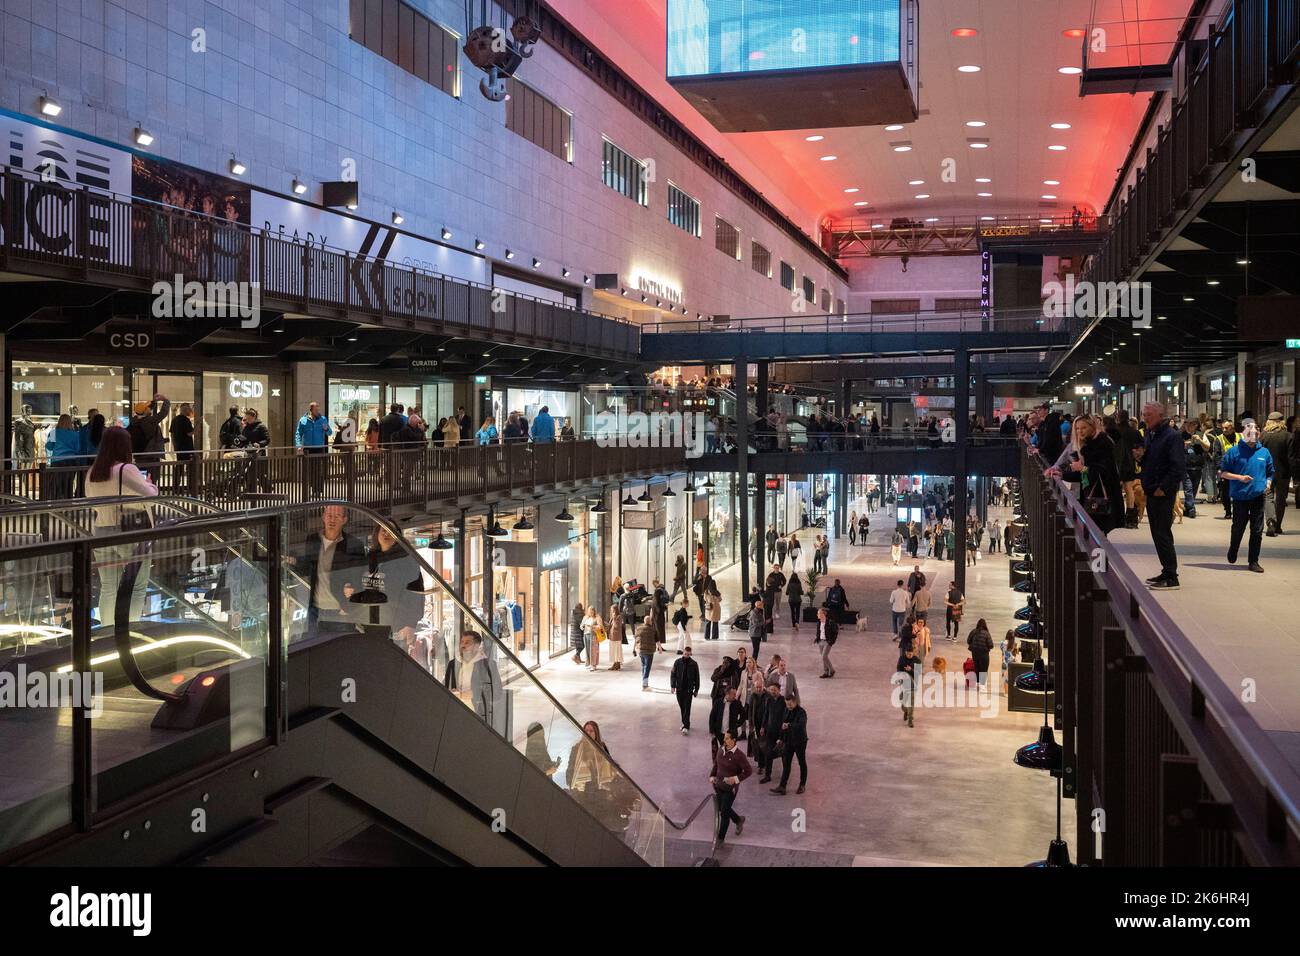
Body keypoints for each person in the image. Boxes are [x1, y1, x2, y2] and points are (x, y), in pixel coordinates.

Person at [85, 426, 159, 626]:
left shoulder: (93, 472)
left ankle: (108, 634)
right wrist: (150, 484)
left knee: (109, 587)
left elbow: (90, 499)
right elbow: (151, 497)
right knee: (136, 586)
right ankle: (129, 634)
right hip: (129, 533)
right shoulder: (127, 469)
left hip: (101, 532)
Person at [1139, 401, 1187, 590]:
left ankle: (1171, 576)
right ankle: (1166, 571)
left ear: (1160, 415)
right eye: (1144, 414)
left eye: (1148, 415)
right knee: (1157, 534)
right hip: (1152, 490)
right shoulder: (1153, 434)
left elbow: (1178, 467)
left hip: (1162, 493)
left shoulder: (1172, 436)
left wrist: (1164, 488)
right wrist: (1141, 458)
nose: (1145, 418)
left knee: (1163, 533)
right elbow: (1153, 461)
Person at [1218, 418, 1273, 572]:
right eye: (1250, 434)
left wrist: (1268, 483)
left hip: (1258, 497)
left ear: (1259, 434)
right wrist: (1239, 478)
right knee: (1238, 527)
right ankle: (1233, 548)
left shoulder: (1264, 452)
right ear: (1244, 434)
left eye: (1255, 434)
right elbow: (1223, 473)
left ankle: (1253, 561)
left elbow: (1270, 472)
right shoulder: (1234, 452)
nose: (1252, 438)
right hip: (1240, 497)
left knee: (1256, 530)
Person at [709, 729, 753, 843]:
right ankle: (738, 820)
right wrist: (712, 775)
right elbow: (716, 765)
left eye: (727, 738)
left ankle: (720, 838)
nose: (724, 740)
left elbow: (748, 771)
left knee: (724, 813)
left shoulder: (739, 756)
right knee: (723, 809)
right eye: (724, 738)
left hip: (730, 790)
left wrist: (736, 779)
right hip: (718, 786)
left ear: (734, 740)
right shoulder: (721, 750)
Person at [769, 694, 808, 795]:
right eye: (787, 704)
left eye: (790, 704)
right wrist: (780, 738)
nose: (788, 706)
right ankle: (782, 786)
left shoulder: (802, 712)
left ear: (795, 702)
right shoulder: (786, 710)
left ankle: (802, 785)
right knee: (786, 764)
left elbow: (801, 725)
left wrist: (789, 725)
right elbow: (783, 725)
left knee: (801, 763)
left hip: (800, 742)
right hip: (788, 741)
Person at [127, 394, 171, 484]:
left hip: (138, 455)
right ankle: (151, 496)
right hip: (151, 455)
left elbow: (146, 409)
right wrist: (165, 400)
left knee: (141, 478)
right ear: (146, 410)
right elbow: (163, 412)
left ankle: (142, 495)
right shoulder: (150, 421)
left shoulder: (133, 422)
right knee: (152, 478)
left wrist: (154, 402)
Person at [1261, 412, 1292, 536]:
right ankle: (1278, 525)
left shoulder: (1263, 436)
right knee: (1280, 498)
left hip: (1266, 472)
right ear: (1282, 421)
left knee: (1268, 497)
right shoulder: (1288, 436)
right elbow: (1291, 458)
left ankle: (1270, 523)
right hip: (1283, 472)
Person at [295, 400, 331, 497]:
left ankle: (318, 490)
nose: (317, 411)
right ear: (311, 410)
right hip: (308, 448)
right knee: (310, 470)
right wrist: (299, 446)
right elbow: (298, 434)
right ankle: (313, 488)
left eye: (318, 409)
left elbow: (330, 432)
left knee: (319, 469)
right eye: (316, 409)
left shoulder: (323, 419)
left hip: (319, 448)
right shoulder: (303, 420)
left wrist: (326, 428)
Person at [566, 720, 613, 793]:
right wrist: (572, 787)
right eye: (586, 731)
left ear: (596, 733)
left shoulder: (602, 748)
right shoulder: (576, 748)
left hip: (600, 788)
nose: (588, 733)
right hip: (583, 790)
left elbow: (610, 765)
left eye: (591, 731)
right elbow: (570, 769)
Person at [670, 645, 700, 734]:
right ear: (683, 652)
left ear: (690, 654)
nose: (686, 655)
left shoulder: (694, 664)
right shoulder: (677, 662)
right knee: (682, 707)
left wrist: (696, 690)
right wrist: (672, 686)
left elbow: (697, 677)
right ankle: (685, 723)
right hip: (679, 689)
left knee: (687, 708)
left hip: (688, 690)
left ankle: (686, 726)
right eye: (685, 654)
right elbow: (673, 675)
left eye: (688, 654)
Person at [710, 685, 747, 754]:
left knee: (730, 752)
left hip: (731, 732)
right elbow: (712, 716)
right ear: (727, 694)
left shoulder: (737, 703)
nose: (735, 696)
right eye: (734, 694)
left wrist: (737, 724)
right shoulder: (718, 702)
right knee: (721, 751)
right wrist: (712, 730)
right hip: (719, 732)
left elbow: (743, 715)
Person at [897, 644, 921, 728]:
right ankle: (906, 711)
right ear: (905, 652)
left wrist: (911, 670)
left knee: (911, 702)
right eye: (907, 654)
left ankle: (910, 720)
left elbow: (918, 674)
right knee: (902, 701)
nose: (909, 655)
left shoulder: (917, 660)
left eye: (911, 654)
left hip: (913, 684)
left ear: (913, 653)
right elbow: (898, 670)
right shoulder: (902, 659)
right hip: (904, 684)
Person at [967, 618, 995, 687]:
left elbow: (968, 641)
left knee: (977, 667)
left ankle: (977, 683)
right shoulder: (986, 633)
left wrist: (973, 645)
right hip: (984, 654)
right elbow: (991, 645)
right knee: (984, 669)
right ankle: (982, 685)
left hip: (975, 653)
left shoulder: (973, 631)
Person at [814, 607, 837, 679]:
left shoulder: (830, 622)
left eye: (818, 613)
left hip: (827, 641)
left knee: (824, 656)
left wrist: (832, 641)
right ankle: (826, 672)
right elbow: (819, 632)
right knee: (823, 658)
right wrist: (817, 638)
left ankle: (832, 670)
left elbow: (835, 632)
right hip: (820, 641)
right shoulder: (818, 623)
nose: (817, 614)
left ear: (822, 614)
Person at [636, 612, 657, 690]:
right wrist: (660, 648)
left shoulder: (638, 629)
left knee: (643, 666)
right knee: (647, 667)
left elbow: (636, 639)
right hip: (649, 651)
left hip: (640, 650)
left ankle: (644, 681)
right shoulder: (653, 629)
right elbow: (657, 639)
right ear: (650, 622)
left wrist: (635, 648)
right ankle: (644, 685)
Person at [580, 603, 602, 671]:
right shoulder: (586, 617)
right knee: (588, 650)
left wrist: (593, 627)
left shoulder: (597, 617)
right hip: (586, 635)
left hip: (594, 636)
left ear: (594, 611)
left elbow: (600, 626)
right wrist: (582, 626)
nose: (591, 613)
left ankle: (594, 665)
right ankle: (589, 663)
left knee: (594, 651)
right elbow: (581, 626)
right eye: (589, 611)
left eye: (592, 611)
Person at [605, 596, 625, 671]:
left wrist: (614, 618)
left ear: (616, 610)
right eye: (611, 611)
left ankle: (617, 663)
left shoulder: (619, 617)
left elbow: (617, 626)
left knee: (617, 651)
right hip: (612, 637)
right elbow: (610, 626)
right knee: (613, 651)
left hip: (617, 637)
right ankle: (615, 663)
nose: (612, 612)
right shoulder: (612, 618)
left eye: (613, 610)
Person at [651, 578, 669, 651]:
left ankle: (658, 646)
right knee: (659, 630)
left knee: (657, 629)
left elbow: (655, 603)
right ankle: (659, 646)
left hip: (656, 614)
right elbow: (658, 604)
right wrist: (664, 608)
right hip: (659, 614)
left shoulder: (657, 592)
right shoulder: (660, 590)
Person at [1000, 631, 1019, 696]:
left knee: (1005, 678)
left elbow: (1003, 652)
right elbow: (1015, 653)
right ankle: (1011, 692)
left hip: (1004, 662)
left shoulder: (1002, 643)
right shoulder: (1015, 644)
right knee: (1012, 677)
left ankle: (1006, 693)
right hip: (1012, 662)